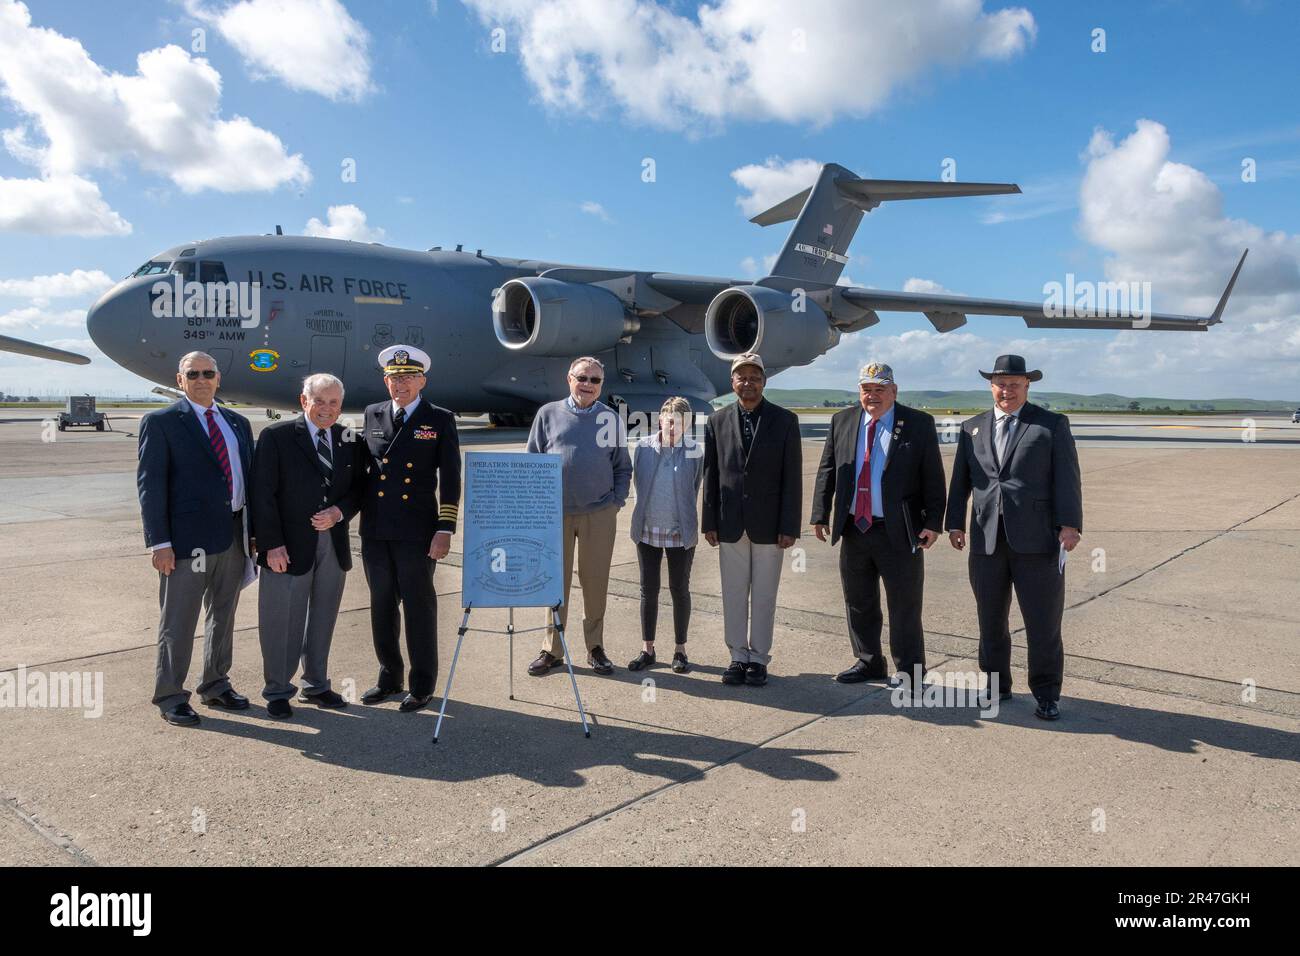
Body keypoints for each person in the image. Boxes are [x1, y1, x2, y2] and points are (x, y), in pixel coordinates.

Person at [944, 354, 1082, 720]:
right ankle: (996, 687)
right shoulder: (972, 427)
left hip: (1037, 541)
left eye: (1014, 384)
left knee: (1043, 623)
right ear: (991, 386)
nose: (1007, 390)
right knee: (990, 620)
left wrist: (1070, 524)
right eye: (1001, 383)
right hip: (986, 539)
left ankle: (1047, 694)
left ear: (1027, 386)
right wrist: (954, 522)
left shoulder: (1051, 425)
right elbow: (961, 481)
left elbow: (1067, 478)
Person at [137, 350, 255, 726]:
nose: (201, 379)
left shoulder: (237, 423)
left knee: (224, 616)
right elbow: (150, 486)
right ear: (180, 380)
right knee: (179, 621)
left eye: (207, 373)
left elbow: (248, 482)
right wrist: (159, 543)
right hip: (187, 543)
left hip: (233, 536)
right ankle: (170, 694)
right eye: (193, 374)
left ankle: (216, 684)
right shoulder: (162, 422)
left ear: (218, 378)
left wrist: (255, 536)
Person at [811, 362, 945, 690]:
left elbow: (933, 477)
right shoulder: (842, 421)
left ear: (894, 391)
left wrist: (933, 523)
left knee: (904, 604)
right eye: (866, 389)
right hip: (855, 529)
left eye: (880, 388)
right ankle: (869, 661)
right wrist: (819, 513)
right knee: (859, 601)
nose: (873, 395)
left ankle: (910, 671)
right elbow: (828, 469)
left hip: (899, 530)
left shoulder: (917, 424)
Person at [357, 345, 462, 713]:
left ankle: (421, 685)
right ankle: (389, 678)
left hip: (418, 530)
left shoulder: (440, 419)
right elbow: (362, 472)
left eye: (407, 378)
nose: (400, 384)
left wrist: (445, 528)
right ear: (385, 381)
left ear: (422, 380)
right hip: (376, 528)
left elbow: (450, 479)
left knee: (419, 607)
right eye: (393, 378)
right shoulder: (372, 413)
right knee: (381, 606)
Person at [250, 373, 361, 719]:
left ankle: (316, 684)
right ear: (304, 401)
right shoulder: (277, 436)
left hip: (333, 542)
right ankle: (279, 689)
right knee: (282, 619)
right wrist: (271, 545)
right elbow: (261, 494)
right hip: (287, 545)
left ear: (341, 406)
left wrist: (340, 511)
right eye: (319, 401)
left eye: (333, 403)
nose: (326, 409)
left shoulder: (349, 440)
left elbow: (360, 489)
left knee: (323, 616)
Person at [526, 356, 633, 677]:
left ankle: (595, 647)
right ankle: (552, 650)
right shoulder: (548, 414)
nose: (587, 385)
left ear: (601, 385)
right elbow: (532, 462)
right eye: (582, 378)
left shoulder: (610, 418)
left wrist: (615, 501)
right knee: (554, 584)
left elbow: (622, 466)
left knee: (595, 581)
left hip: (599, 513)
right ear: (569, 379)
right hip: (555, 515)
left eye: (595, 380)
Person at [701, 352, 802, 687]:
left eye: (754, 377)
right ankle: (737, 656)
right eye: (741, 377)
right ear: (732, 382)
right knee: (732, 593)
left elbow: (793, 478)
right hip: (730, 523)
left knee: (763, 595)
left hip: (770, 526)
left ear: (764, 381)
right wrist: (709, 521)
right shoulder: (716, 422)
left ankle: (758, 658)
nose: (748, 382)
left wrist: (790, 526)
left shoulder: (785, 420)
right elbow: (711, 474)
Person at [627, 397, 703, 673]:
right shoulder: (644, 447)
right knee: (649, 590)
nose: (674, 427)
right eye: (670, 421)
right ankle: (647, 649)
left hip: (680, 533)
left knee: (679, 590)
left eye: (681, 423)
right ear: (660, 419)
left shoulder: (695, 451)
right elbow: (639, 482)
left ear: (688, 425)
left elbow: (694, 487)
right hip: (647, 530)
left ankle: (680, 650)